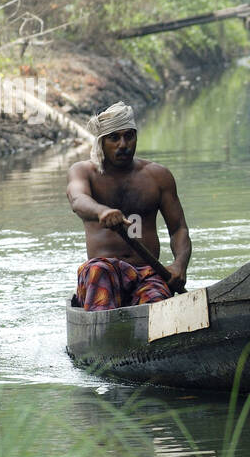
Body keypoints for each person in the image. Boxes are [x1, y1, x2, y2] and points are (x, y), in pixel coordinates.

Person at [66, 102, 191, 311]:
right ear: (101, 142)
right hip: (103, 270)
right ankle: (103, 339)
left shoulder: (158, 176)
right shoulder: (83, 172)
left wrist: (179, 265)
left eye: (129, 136)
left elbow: (178, 229)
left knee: (158, 304)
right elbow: (77, 200)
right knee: (98, 271)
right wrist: (101, 211)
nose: (123, 144)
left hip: (147, 272)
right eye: (114, 138)